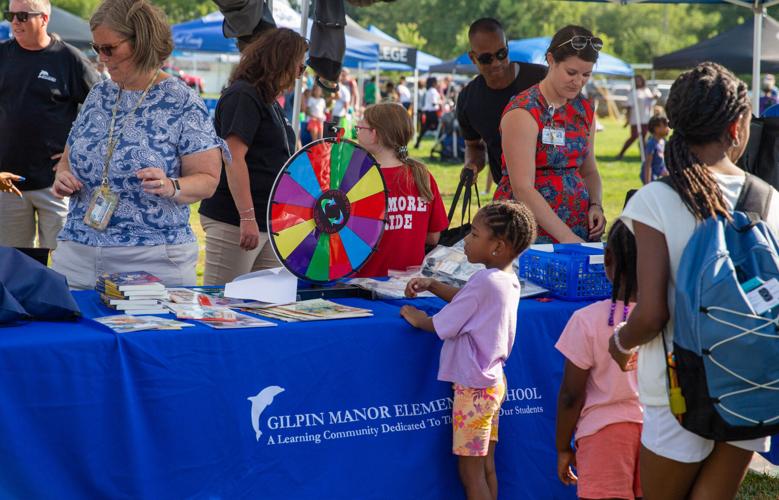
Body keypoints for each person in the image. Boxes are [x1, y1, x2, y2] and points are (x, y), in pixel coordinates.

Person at [614, 62, 779, 499]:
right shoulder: (768, 198)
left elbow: (652, 314)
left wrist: (620, 343)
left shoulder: (656, 198)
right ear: (737, 126)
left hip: (676, 387)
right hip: (751, 381)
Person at [51, 0, 226, 289]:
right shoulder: (99, 94)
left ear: (141, 43)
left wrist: (171, 185)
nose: (101, 58)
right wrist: (63, 176)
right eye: (96, 48)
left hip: (152, 260)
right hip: (78, 253)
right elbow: (68, 157)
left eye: (109, 48)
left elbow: (208, 180)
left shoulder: (181, 101)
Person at [399, 200, 537, 500]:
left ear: (497, 246)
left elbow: (443, 325)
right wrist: (433, 285)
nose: (465, 240)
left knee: (470, 472)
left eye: (474, 234)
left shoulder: (485, 280)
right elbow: (467, 299)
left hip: (473, 389)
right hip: (493, 383)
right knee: (486, 467)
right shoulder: (505, 279)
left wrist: (419, 319)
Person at [199, 28, 307, 285]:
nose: (299, 75)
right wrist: (247, 217)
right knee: (222, 300)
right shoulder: (243, 95)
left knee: (265, 301)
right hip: (234, 219)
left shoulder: (268, 100)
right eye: (299, 67)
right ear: (280, 62)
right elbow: (234, 157)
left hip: (268, 220)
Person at [0, 0, 99, 251]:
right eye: (10, 15)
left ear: (44, 19)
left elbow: (102, 110)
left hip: (54, 184)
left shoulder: (69, 59)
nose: (15, 22)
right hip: (7, 184)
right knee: (15, 261)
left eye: (23, 16)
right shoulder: (2, 55)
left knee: (63, 258)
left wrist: (75, 153)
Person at [555, 220, 643, 500]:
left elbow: (571, 395)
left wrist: (563, 447)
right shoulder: (664, 318)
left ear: (607, 259)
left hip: (603, 435)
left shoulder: (586, 320)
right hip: (658, 434)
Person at [496, 25, 606, 244]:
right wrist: (567, 238)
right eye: (571, 73)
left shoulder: (584, 109)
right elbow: (523, 188)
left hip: (576, 230)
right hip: (528, 230)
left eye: (586, 74)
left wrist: (596, 205)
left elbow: (589, 169)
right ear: (551, 60)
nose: (578, 81)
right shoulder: (524, 110)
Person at [353, 103, 449, 277]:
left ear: (374, 134)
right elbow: (433, 237)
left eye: (360, 128)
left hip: (363, 281)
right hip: (409, 283)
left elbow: (347, 238)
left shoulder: (361, 180)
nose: (357, 132)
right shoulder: (423, 176)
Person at [457, 18, 547, 198]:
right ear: (473, 57)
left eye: (501, 53)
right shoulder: (468, 99)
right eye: (486, 58)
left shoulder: (542, 79)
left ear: (507, 47)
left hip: (553, 190)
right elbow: (474, 146)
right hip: (509, 194)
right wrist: (471, 165)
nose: (496, 63)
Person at [616, 75, 658, 161]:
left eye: (639, 80)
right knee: (634, 136)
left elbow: (651, 103)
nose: (638, 82)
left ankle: (644, 155)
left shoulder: (647, 90)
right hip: (636, 119)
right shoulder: (633, 92)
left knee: (643, 138)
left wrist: (654, 97)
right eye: (636, 80)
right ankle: (621, 153)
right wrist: (627, 120)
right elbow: (629, 107)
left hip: (646, 118)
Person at [641, 114, 670, 185]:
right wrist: (648, 184)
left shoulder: (664, 142)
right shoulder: (652, 144)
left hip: (661, 178)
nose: (668, 128)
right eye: (665, 126)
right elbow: (648, 165)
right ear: (656, 128)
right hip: (652, 179)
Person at [414, 76, 441, 148]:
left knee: (424, 129)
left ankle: (417, 143)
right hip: (432, 112)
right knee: (439, 127)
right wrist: (441, 102)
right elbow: (434, 103)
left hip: (427, 112)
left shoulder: (428, 90)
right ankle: (440, 143)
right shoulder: (433, 91)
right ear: (434, 83)